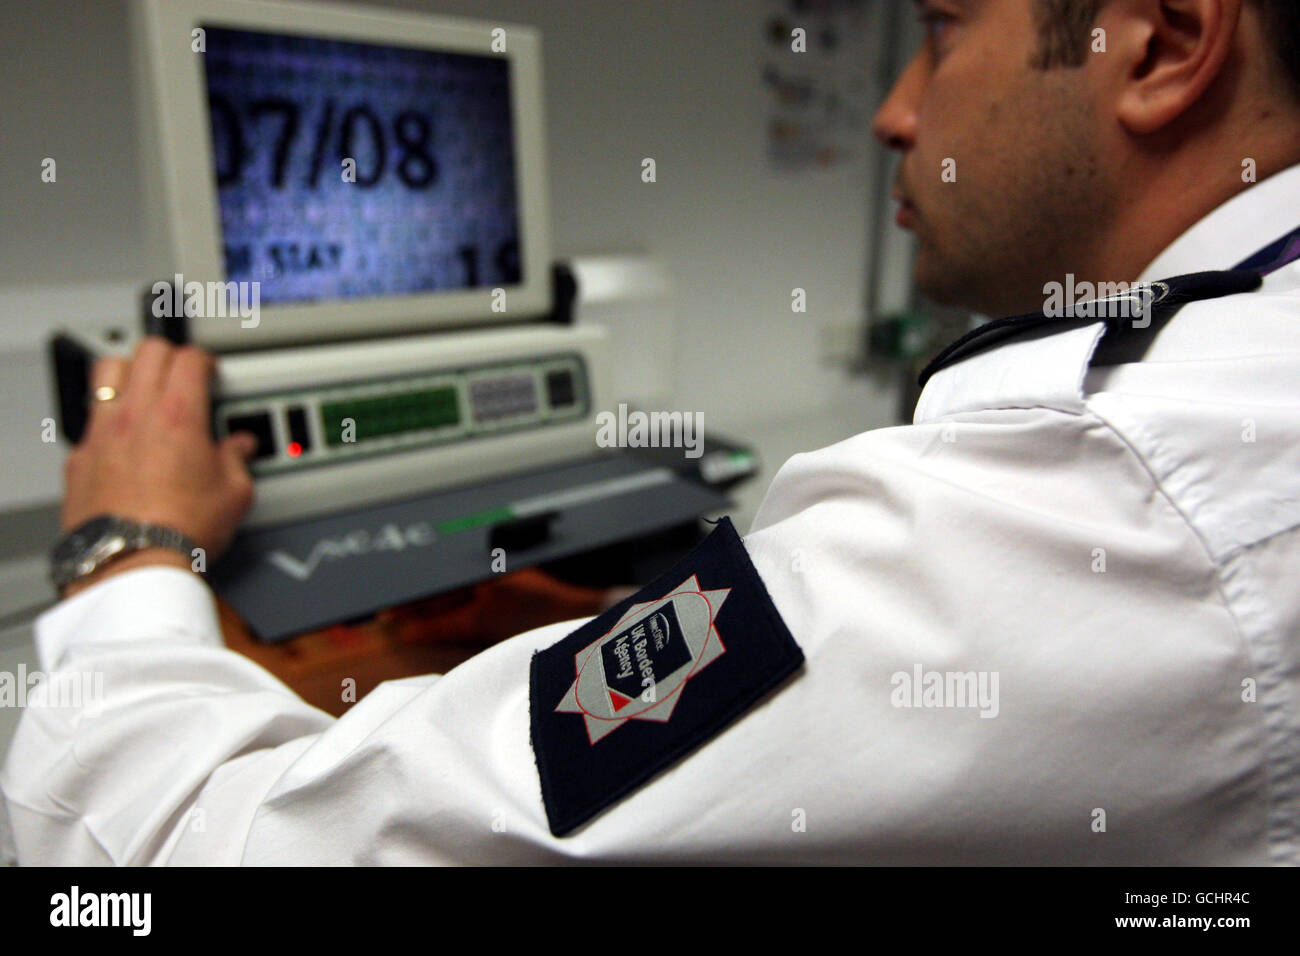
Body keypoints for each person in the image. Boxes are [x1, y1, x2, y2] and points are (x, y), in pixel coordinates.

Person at [3, 0, 1298, 864]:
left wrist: (124, 554)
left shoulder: (1100, 496)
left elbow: (205, 845)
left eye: (943, 28)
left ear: (1167, 43)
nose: (896, 111)